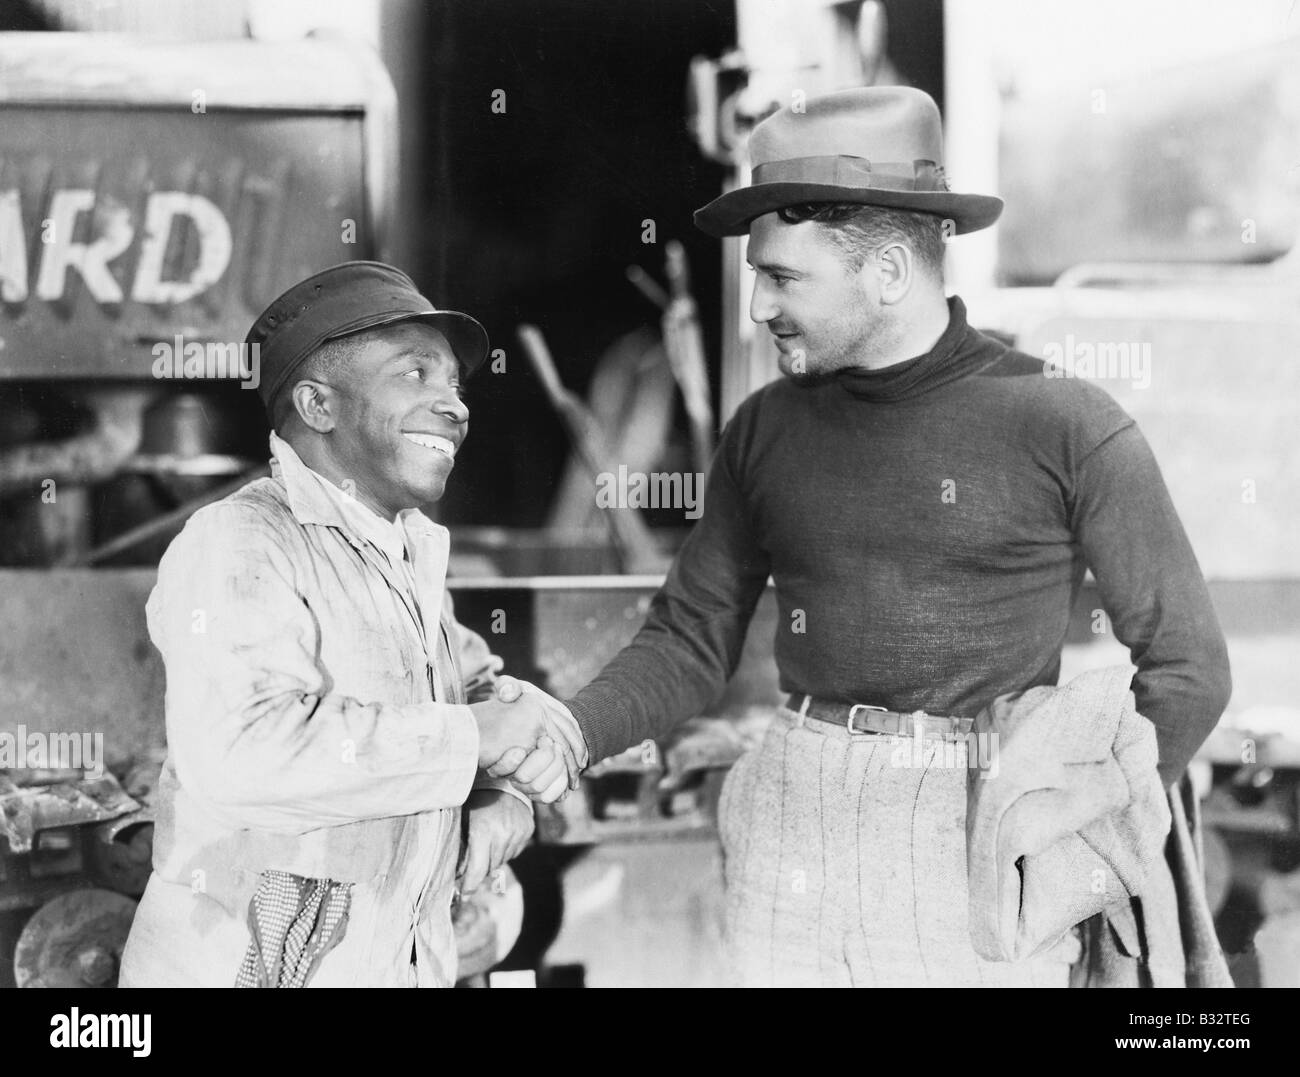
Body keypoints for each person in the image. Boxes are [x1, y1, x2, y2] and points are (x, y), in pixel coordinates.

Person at [564, 87, 1232, 986]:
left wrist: (1068, 825)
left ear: (887, 272)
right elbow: (689, 639)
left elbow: (1189, 671)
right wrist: (565, 732)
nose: (758, 307)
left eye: (782, 278)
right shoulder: (764, 428)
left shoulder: (1065, 424)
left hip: (971, 839)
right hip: (789, 824)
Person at [120, 261, 585, 988]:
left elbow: (481, 697)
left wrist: (505, 800)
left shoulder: (403, 553)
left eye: (454, 384)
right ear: (317, 403)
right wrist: (480, 739)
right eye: (415, 374)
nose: (454, 405)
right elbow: (243, 752)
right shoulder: (241, 540)